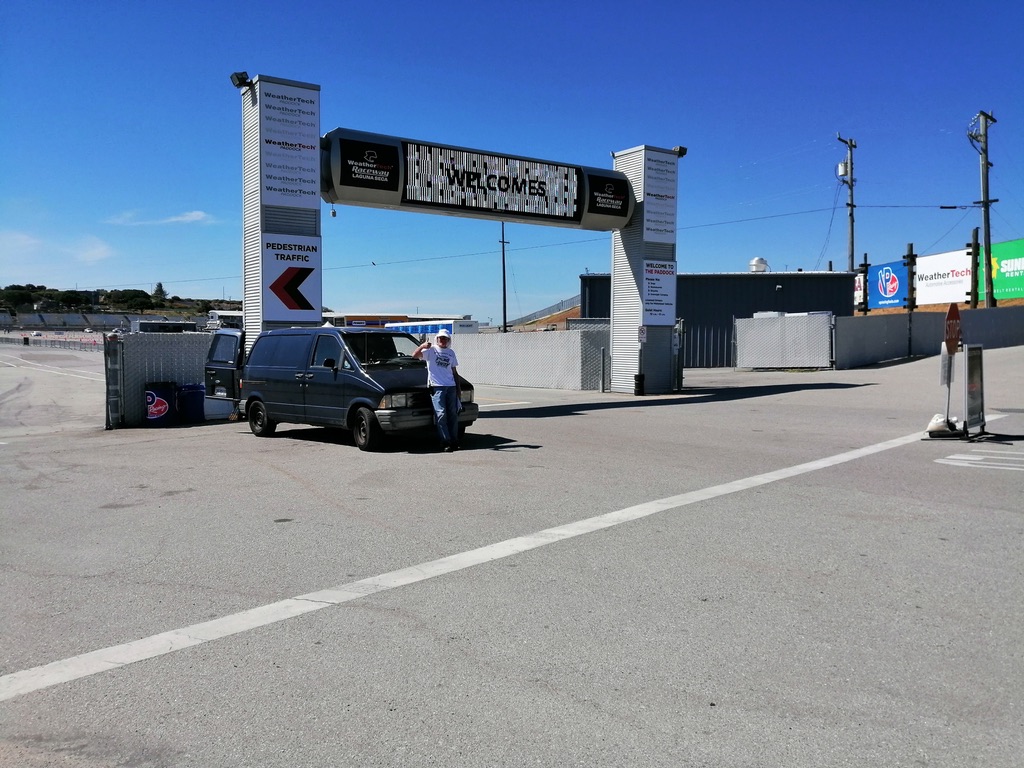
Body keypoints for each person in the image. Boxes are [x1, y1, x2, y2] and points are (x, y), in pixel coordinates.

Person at [413, 328, 463, 452]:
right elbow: (414, 355)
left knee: (453, 414)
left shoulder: (451, 353)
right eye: (441, 338)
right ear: (437, 339)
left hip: (451, 387)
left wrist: (458, 389)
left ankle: (454, 440)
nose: (443, 340)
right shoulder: (431, 351)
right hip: (437, 386)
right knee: (441, 414)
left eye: (445, 338)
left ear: (448, 340)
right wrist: (422, 346)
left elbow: (454, 372)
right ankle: (445, 441)